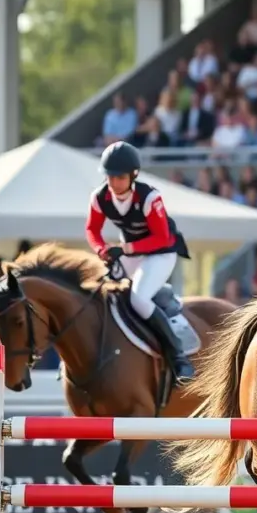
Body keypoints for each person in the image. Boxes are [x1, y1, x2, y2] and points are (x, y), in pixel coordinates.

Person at [85, 141, 194, 381]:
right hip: (132, 254)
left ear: (133, 175)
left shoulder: (149, 197)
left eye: (120, 178)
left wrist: (124, 248)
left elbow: (161, 237)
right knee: (102, 294)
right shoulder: (100, 197)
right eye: (110, 177)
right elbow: (92, 229)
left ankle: (178, 356)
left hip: (161, 253)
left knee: (139, 300)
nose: (114, 183)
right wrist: (102, 250)